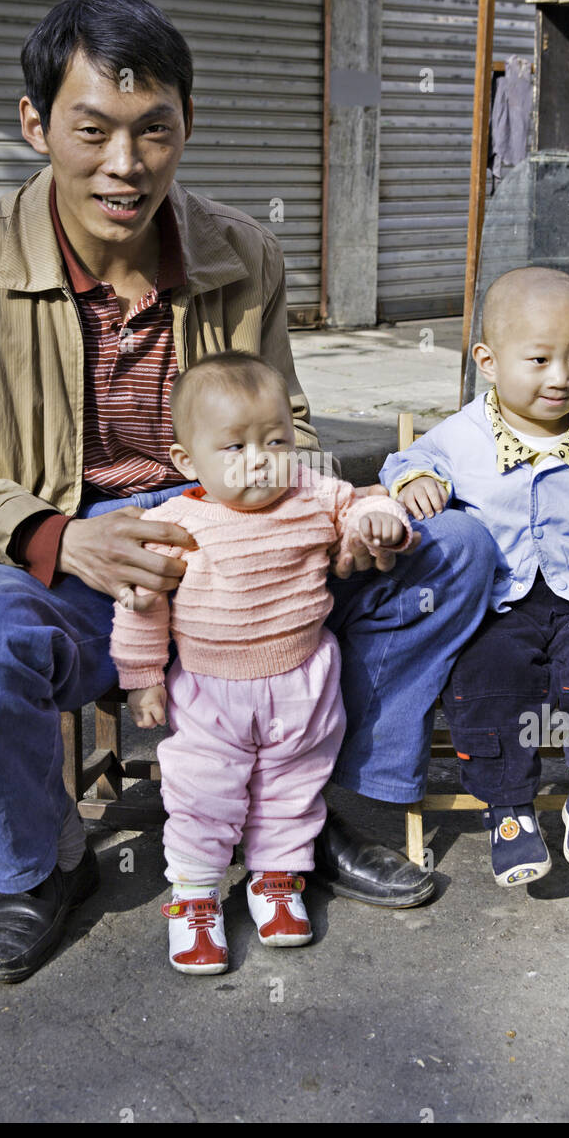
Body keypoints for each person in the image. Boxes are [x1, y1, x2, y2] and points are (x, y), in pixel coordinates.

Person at [0, 0, 496, 983]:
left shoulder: (244, 253)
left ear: (184, 126)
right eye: (94, 131)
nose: (127, 163)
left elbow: (292, 424)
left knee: (451, 550)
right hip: (61, 560)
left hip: (244, 550)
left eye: (154, 130)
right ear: (35, 125)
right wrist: (56, 536)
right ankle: (40, 864)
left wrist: (325, 519)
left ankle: (305, 805)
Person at [110, 351, 413, 974]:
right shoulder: (175, 522)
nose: (260, 459)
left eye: (275, 440)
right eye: (235, 447)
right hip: (209, 691)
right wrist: (141, 678)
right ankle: (194, 896)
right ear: (187, 461)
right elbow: (142, 607)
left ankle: (276, 879)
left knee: (292, 786)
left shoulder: (311, 495)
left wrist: (380, 520)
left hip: (303, 681)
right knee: (203, 793)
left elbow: (357, 506)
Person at [380, 268, 569, 886]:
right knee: (484, 680)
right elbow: (409, 459)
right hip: (498, 603)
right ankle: (510, 811)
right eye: (539, 358)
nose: (561, 377)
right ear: (488, 361)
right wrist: (415, 479)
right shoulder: (462, 437)